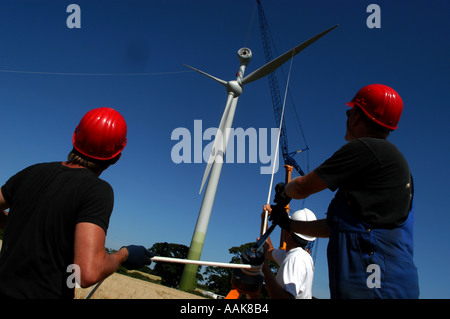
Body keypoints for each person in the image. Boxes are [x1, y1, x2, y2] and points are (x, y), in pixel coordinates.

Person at [269, 84, 419, 299]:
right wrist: (289, 224)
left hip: (374, 280)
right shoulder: (387, 169)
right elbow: (336, 227)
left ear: (357, 116)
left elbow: (302, 187)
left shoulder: (367, 148)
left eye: (350, 112)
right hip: (387, 278)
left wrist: (285, 191)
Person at [0, 107, 153, 298]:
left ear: (75, 136)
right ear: (116, 157)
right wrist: (124, 255)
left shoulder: (31, 171)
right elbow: (87, 273)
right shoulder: (97, 191)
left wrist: (18, 227)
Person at [261, 207, 316, 299]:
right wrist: (264, 219)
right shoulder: (295, 255)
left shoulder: (295, 258)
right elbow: (269, 250)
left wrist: (264, 266)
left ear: (289, 233)